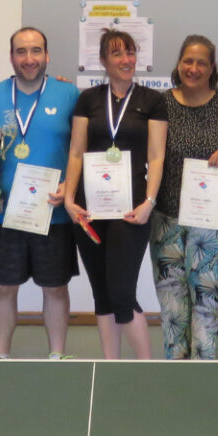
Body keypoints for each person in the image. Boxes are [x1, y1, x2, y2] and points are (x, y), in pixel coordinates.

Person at [0, 28, 81, 358]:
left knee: (55, 287)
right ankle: (1, 356)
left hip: (54, 211)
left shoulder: (69, 95)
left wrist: (70, 187)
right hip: (5, 210)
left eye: (36, 51)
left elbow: (80, 150)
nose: (29, 58)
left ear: (47, 56)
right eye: (21, 52)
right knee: (4, 286)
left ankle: (57, 355)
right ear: (11, 57)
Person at [65, 29, 167, 359]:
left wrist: (149, 203)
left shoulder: (152, 101)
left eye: (130, 53)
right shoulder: (88, 99)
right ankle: (110, 364)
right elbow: (76, 152)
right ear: (103, 61)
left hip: (131, 210)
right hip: (89, 211)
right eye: (117, 54)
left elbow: (156, 156)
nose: (126, 60)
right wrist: (69, 199)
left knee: (122, 291)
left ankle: (145, 369)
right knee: (102, 292)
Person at [150, 35, 218, 359]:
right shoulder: (160, 105)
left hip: (217, 224)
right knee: (172, 309)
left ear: (212, 68)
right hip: (166, 221)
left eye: (201, 63)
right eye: (187, 61)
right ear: (178, 64)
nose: (193, 68)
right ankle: (176, 376)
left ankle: (205, 375)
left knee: (209, 307)